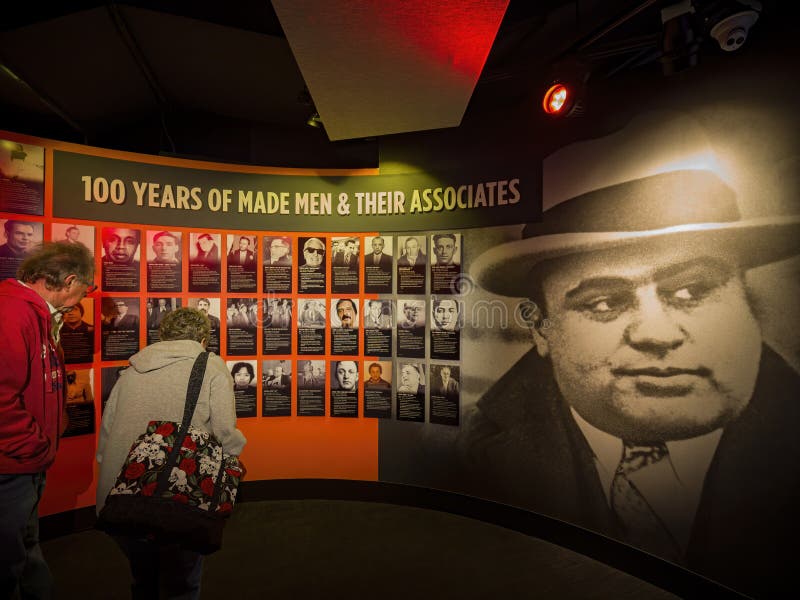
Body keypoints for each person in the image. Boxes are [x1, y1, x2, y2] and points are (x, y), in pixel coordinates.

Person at [461, 169, 800, 596]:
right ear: (542, 330)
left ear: (746, 303)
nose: (656, 334)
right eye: (604, 302)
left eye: (692, 291)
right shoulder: (467, 453)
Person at [96, 307, 246, 599]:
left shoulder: (132, 369)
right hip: (175, 497)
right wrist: (235, 457)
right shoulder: (212, 367)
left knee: (144, 579)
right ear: (204, 339)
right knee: (181, 584)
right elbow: (225, 432)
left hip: (120, 496)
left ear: (163, 336)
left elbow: (106, 434)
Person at [1, 241, 94, 598]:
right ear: (70, 280)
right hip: (12, 464)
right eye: (85, 288)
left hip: (26, 461)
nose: (84, 297)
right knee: (8, 560)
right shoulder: (13, 313)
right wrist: (32, 444)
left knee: (24, 549)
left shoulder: (36, 314)